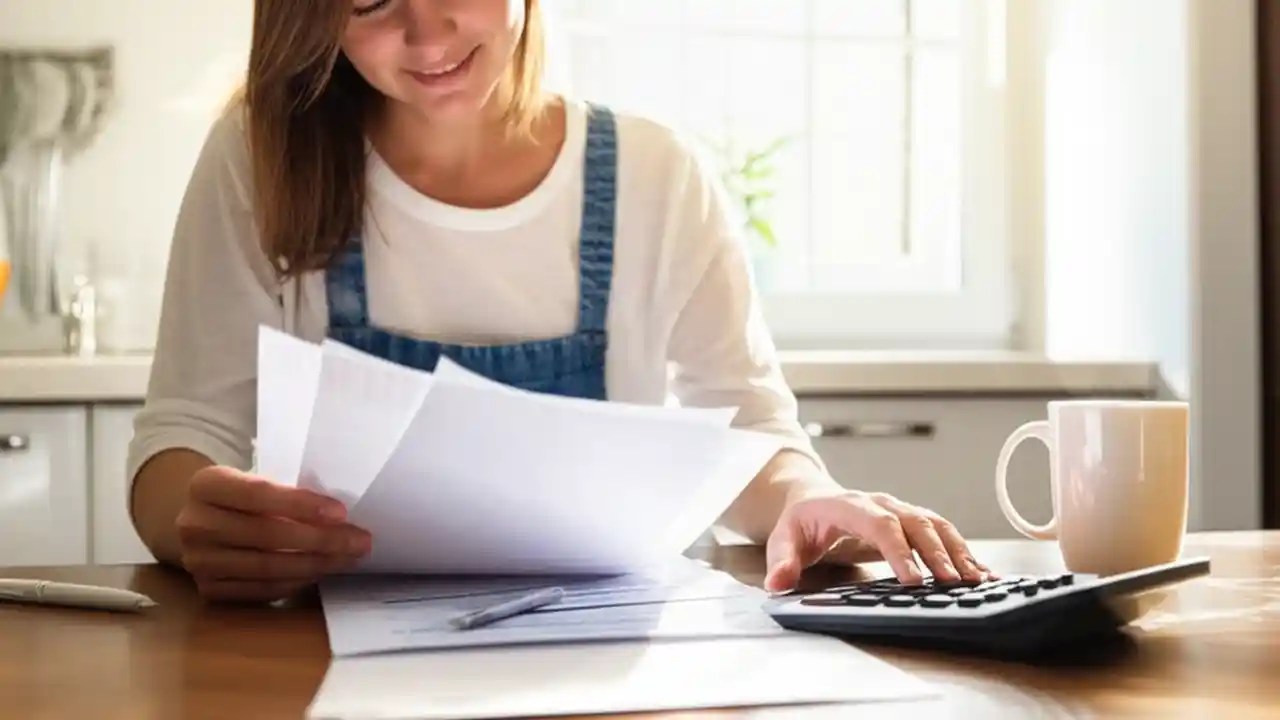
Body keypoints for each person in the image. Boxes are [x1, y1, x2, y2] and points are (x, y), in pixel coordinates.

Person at [128, 0, 992, 603]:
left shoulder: (657, 174)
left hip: (605, 664)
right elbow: (181, 435)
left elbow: (750, 433)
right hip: (329, 662)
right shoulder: (259, 161)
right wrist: (195, 520)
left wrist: (806, 497)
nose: (426, 32)